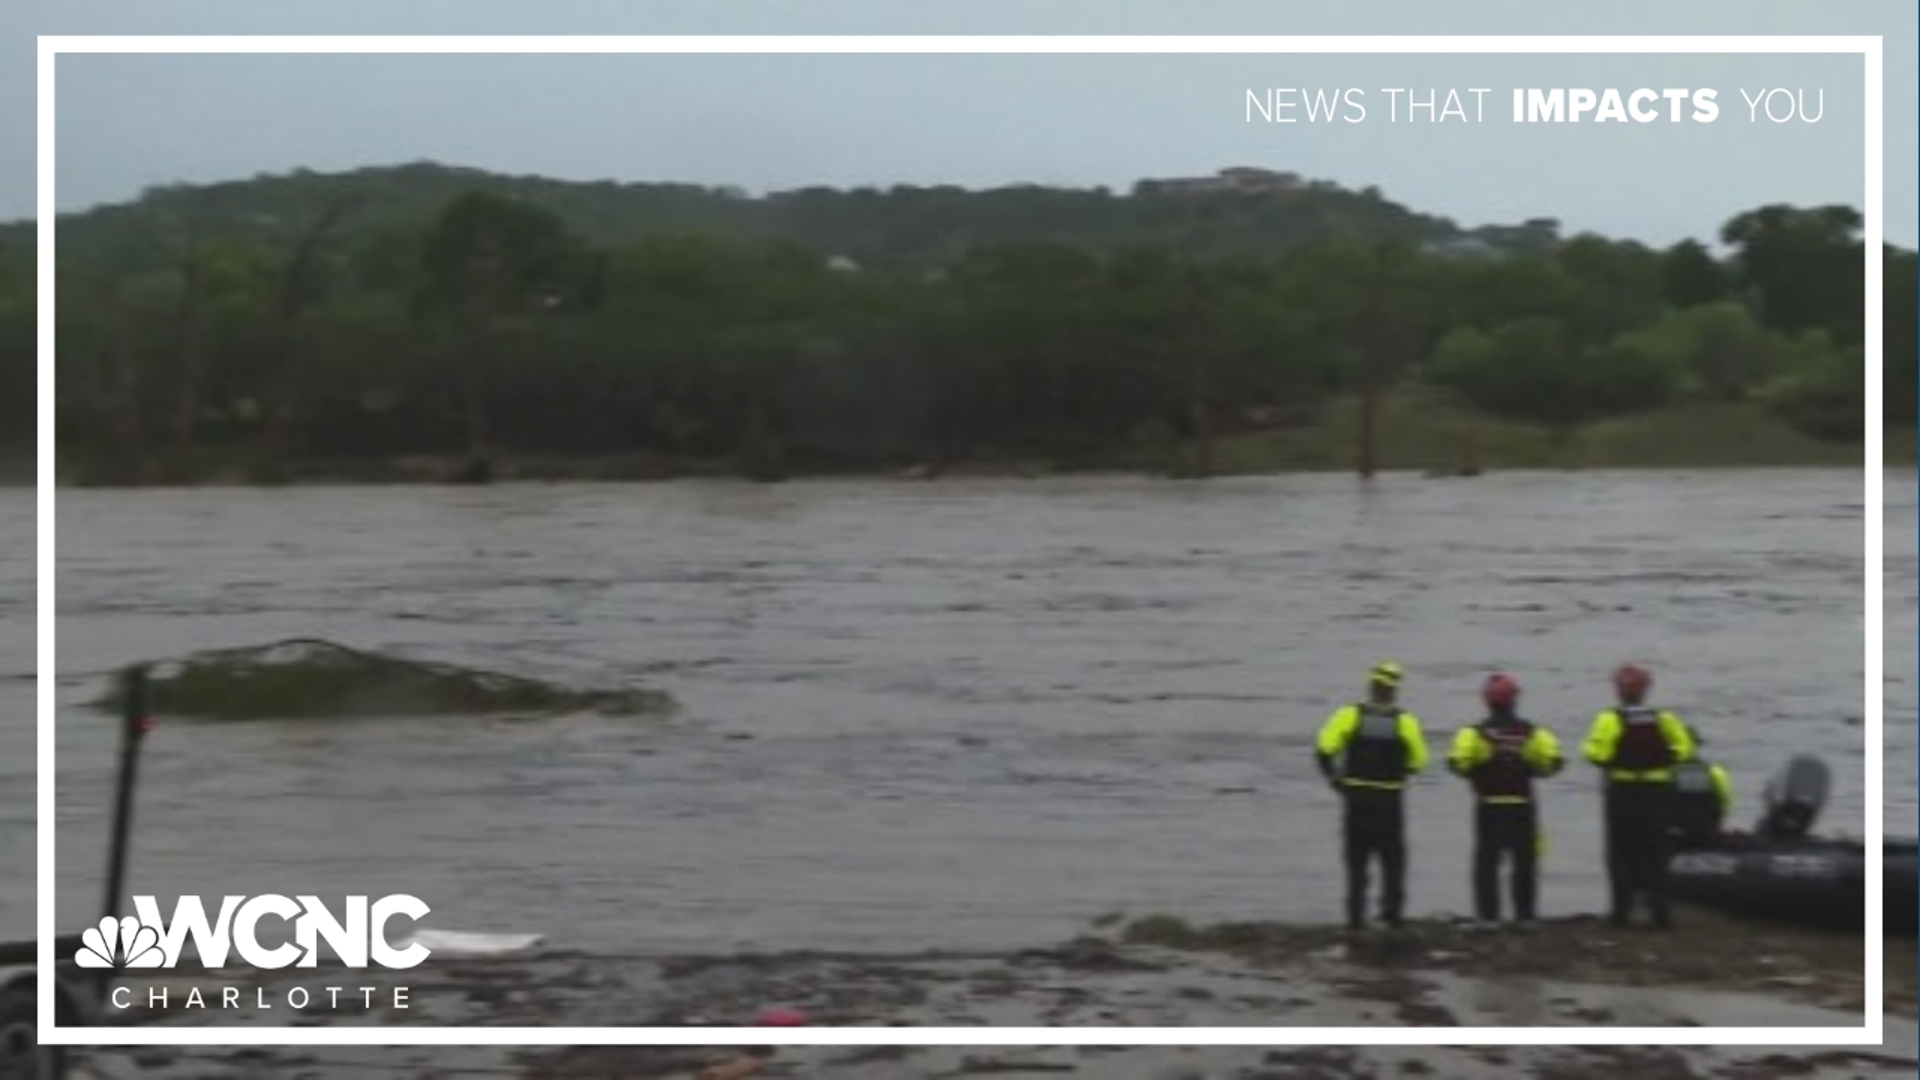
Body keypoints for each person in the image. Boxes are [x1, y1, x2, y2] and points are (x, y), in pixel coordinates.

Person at [1315, 661, 1430, 931]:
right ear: (1394, 691)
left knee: (1356, 863)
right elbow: (1419, 762)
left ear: (1370, 687)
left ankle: (1355, 919)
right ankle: (1391, 916)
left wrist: (1335, 779)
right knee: (1392, 862)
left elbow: (1323, 749)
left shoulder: (1349, 716)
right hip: (1389, 802)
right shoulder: (1405, 722)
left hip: (1356, 800)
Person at [1581, 663, 1696, 930]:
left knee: (1621, 852)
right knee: (1656, 852)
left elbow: (1595, 754)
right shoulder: (1663, 718)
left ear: (1618, 690)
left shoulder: (1609, 719)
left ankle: (1621, 912)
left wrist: (1618, 761)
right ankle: (1660, 913)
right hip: (1657, 792)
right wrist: (1662, 761)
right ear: (1646, 689)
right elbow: (1685, 749)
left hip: (1622, 790)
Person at [1447, 673, 1563, 925]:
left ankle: (1488, 918)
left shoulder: (1474, 733)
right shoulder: (1533, 732)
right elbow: (1553, 763)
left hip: (1489, 807)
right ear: (1515, 700)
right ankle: (1526, 917)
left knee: (1486, 864)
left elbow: (1457, 763)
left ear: (1487, 701)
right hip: (1522, 806)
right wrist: (1532, 768)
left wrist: (1476, 771)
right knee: (1525, 864)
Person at [1669, 727, 1733, 850]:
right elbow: (1725, 804)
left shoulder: (1665, 773)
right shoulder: (1714, 771)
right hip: (1707, 834)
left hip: (1674, 836)